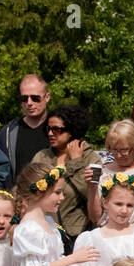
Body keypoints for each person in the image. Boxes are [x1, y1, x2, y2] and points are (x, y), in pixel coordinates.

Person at [46, 105, 101, 249]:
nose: (51, 133)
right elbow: (31, 192)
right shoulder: (42, 157)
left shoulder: (90, 158)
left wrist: (77, 162)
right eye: (48, 129)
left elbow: (91, 195)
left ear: (72, 130)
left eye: (56, 129)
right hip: (45, 233)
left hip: (78, 237)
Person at [0, 75, 52, 180]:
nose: (29, 103)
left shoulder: (59, 129)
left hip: (53, 193)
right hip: (17, 195)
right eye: (24, 98)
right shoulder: (8, 133)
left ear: (47, 97)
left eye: (35, 98)